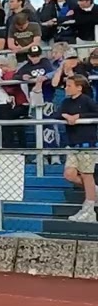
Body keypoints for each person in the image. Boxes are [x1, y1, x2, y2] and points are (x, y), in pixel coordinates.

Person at [60, 74, 98, 223]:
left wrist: (78, 116)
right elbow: (57, 113)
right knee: (69, 174)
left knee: (87, 174)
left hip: (87, 143)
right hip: (72, 144)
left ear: (79, 87)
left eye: (69, 85)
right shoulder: (66, 102)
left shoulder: (87, 100)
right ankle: (94, 191)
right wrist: (66, 116)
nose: (66, 88)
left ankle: (89, 209)